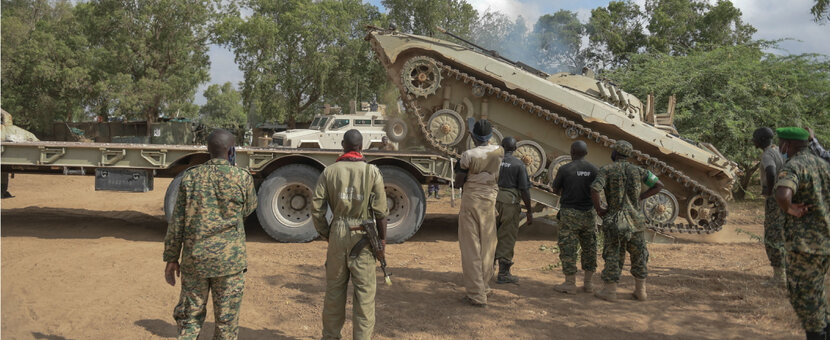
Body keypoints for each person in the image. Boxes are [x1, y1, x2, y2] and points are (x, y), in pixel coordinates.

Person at [163, 129, 257, 339]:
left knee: (189, 320)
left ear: (209, 150)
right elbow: (248, 209)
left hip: (195, 261)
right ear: (231, 151)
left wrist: (171, 257)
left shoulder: (190, 177)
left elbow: (177, 222)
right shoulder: (242, 178)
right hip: (229, 263)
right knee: (226, 324)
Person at [312, 129, 388, 340]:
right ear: (361, 147)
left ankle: (330, 336)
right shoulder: (372, 172)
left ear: (343, 146)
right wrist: (381, 241)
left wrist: (328, 234)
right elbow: (381, 212)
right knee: (364, 295)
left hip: (337, 231)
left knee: (334, 292)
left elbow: (316, 209)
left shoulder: (329, 172)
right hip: (364, 235)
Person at [773, 127, 830, 340]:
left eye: (781, 143)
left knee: (806, 299)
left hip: (805, 246)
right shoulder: (823, 165)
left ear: (787, 145)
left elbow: (783, 194)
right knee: (816, 294)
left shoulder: (794, 165)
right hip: (825, 242)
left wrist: (789, 208)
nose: (780, 147)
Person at [590, 140, 663, 302]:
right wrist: (641, 197)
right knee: (639, 255)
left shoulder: (606, 169)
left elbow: (595, 189)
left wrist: (599, 209)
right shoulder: (639, 171)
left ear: (615, 153)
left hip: (615, 220)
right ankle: (641, 291)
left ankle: (610, 291)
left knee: (613, 254)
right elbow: (659, 185)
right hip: (636, 221)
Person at [456, 119, 504, 307]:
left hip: (471, 201)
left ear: (473, 136)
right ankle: (484, 287)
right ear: (491, 136)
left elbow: (459, 182)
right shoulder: (499, 151)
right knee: (488, 246)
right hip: (490, 200)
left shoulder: (468, 155)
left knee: (471, 248)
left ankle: (476, 295)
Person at [551, 141, 599, 294]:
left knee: (568, 248)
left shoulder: (565, 169)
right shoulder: (594, 170)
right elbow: (597, 190)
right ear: (586, 153)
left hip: (569, 214)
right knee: (590, 248)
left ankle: (570, 283)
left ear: (572, 151)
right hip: (588, 214)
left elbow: (555, 190)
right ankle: (588, 284)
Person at [494, 137, 533, 284]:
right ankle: (503, 274)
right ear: (515, 148)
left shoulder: (494, 161)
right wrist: (529, 211)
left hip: (492, 200)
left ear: (502, 146)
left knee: (488, 234)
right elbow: (524, 190)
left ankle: (485, 269)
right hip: (509, 204)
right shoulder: (519, 164)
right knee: (507, 236)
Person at [752, 127, 787, 287]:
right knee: (782, 233)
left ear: (760, 140)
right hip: (785, 194)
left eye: (755, 138)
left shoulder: (767, 155)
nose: (753, 141)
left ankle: (779, 277)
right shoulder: (779, 150)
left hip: (774, 198)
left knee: (772, 235)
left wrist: (769, 189)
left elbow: (771, 172)